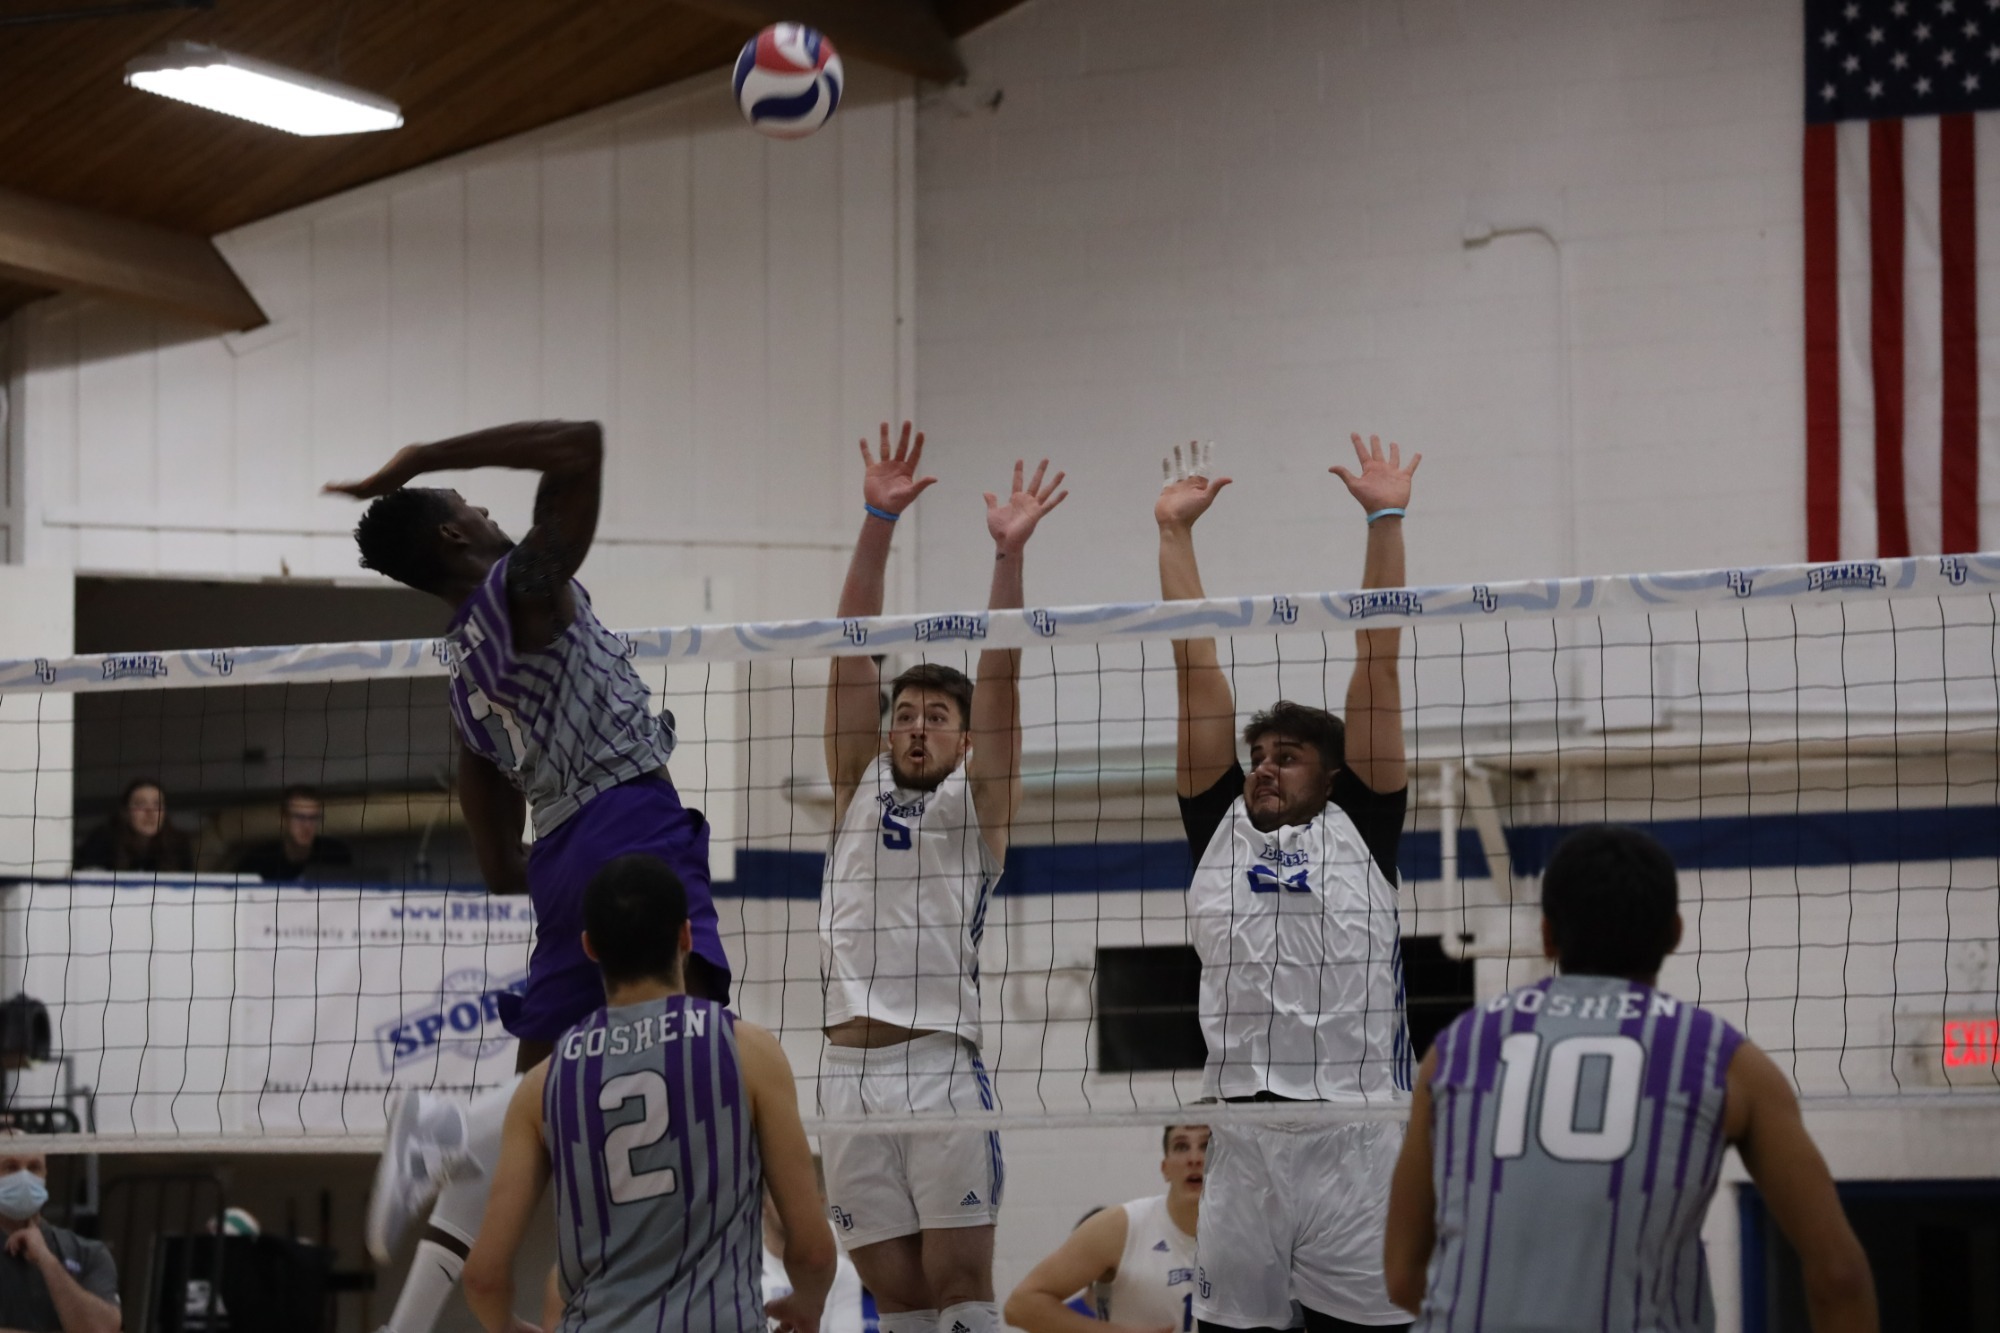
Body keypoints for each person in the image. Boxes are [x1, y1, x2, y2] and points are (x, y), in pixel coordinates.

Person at [324, 420, 729, 1332]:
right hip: (630, 821)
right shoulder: (519, 589)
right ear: (451, 537)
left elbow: (487, 819)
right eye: (470, 505)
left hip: (559, 855)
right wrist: (423, 461)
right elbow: (582, 444)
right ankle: (444, 1125)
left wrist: (535, 864)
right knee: (695, 1040)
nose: (486, 506)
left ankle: (407, 1320)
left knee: (529, 1127)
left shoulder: (463, 661)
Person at [1382, 827, 1879, 1332]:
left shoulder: (1455, 1049)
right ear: (1675, 931)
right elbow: (1838, 1276)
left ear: (1548, 934)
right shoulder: (1726, 1060)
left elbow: (1401, 1275)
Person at [1156, 435, 1419, 1332]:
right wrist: (1173, 534)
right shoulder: (1218, 825)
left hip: (1356, 1135)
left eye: (1289, 756)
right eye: (1258, 755)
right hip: (1243, 1138)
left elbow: (1379, 659)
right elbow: (1195, 668)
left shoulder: (1365, 821)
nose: (1264, 768)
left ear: (1334, 773)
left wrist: (1385, 517)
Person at [818, 422, 1067, 1333]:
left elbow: (1000, 680)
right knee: (897, 1299)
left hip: (939, 1065)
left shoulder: (979, 802)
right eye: (908, 714)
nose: (919, 727)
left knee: (962, 1291)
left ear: (962, 739)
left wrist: (1008, 559)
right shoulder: (856, 783)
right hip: (845, 1069)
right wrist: (878, 520)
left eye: (938, 717)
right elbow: (851, 652)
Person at [462, 854, 833, 1333]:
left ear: (590, 947)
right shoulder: (749, 1053)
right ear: (685, 936)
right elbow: (815, 1249)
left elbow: (483, 1279)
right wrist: (808, 1304)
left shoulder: (544, 1083)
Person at [1005, 1126, 1208, 1333]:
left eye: (1206, 1146)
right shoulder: (1122, 1226)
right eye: (1181, 1146)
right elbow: (1019, 1306)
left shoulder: (1242, 1234)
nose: (1194, 1158)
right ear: (1165, 1168)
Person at [0, 1144, 120, 1333]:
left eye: (34, 1168)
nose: (24, 1178)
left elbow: (102, 1329)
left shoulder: (88, 1253)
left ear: (45, 1174)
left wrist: (46, 1259)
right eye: (11, 1167)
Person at [763, 1181, 871, 1333]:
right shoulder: (742, 1270)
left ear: (819, 1203)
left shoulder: (843, 1271)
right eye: (782, 1193)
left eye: (801, 1196)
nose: (791, 1203)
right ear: (763, 1204)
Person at [234, 785, 355, 882]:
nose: (307, 826)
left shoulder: (335, 855)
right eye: (299, 817)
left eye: (313, 818)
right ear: (283, 819)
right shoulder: (258, 862)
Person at [72, 778, 193, 874]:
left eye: (157, 805)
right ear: (125, 812)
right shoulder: (103, 841)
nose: (150, 813)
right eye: (140, 804)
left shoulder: (179, 846)